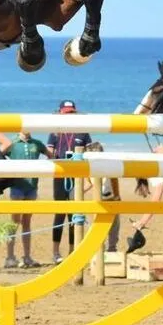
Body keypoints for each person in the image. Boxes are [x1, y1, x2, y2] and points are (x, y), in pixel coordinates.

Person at [46, 100, 92, 264]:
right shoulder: (55, 132)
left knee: (75, 214)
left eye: (72, 112)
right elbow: (49, 152)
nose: (69, 115)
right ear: (60, 113)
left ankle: (73, 250)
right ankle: (56, 252)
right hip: (60, 175)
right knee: (59, 213)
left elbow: (90, 152)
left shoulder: (83, 132)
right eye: (66, 113)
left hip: (77, 176)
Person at [3, 131, 48, 268]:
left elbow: (51, 155)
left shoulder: (37, 143)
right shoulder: (13, 143)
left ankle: (27, 257)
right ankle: (10, 257)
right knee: (14, 222)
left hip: (32, 187)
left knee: (27, 223)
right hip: (17, 187)